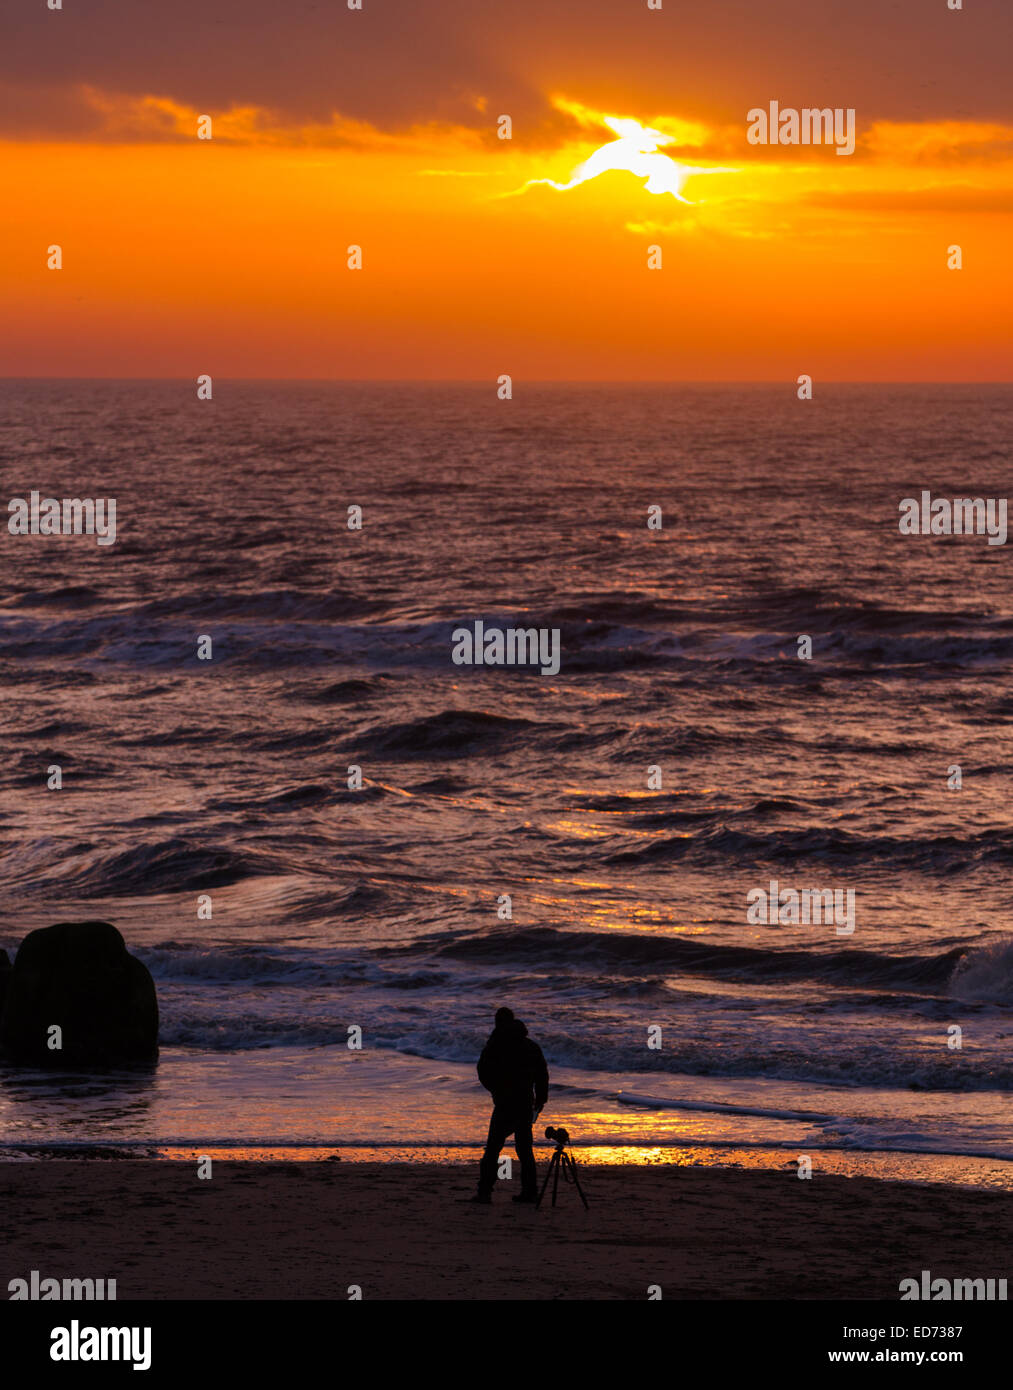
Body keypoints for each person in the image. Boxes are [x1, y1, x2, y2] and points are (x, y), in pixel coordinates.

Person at [472, 1009, 549, 1204]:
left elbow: (482, 1071)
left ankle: (485, 1192)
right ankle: (530, 1192)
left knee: (493, 1149)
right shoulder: (530, 1046)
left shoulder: (497, 1044)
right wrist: (540, 1099)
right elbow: (542, 1074)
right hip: (524, 1103)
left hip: (506, 1103)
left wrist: (495, 1090)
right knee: (524, 1150)